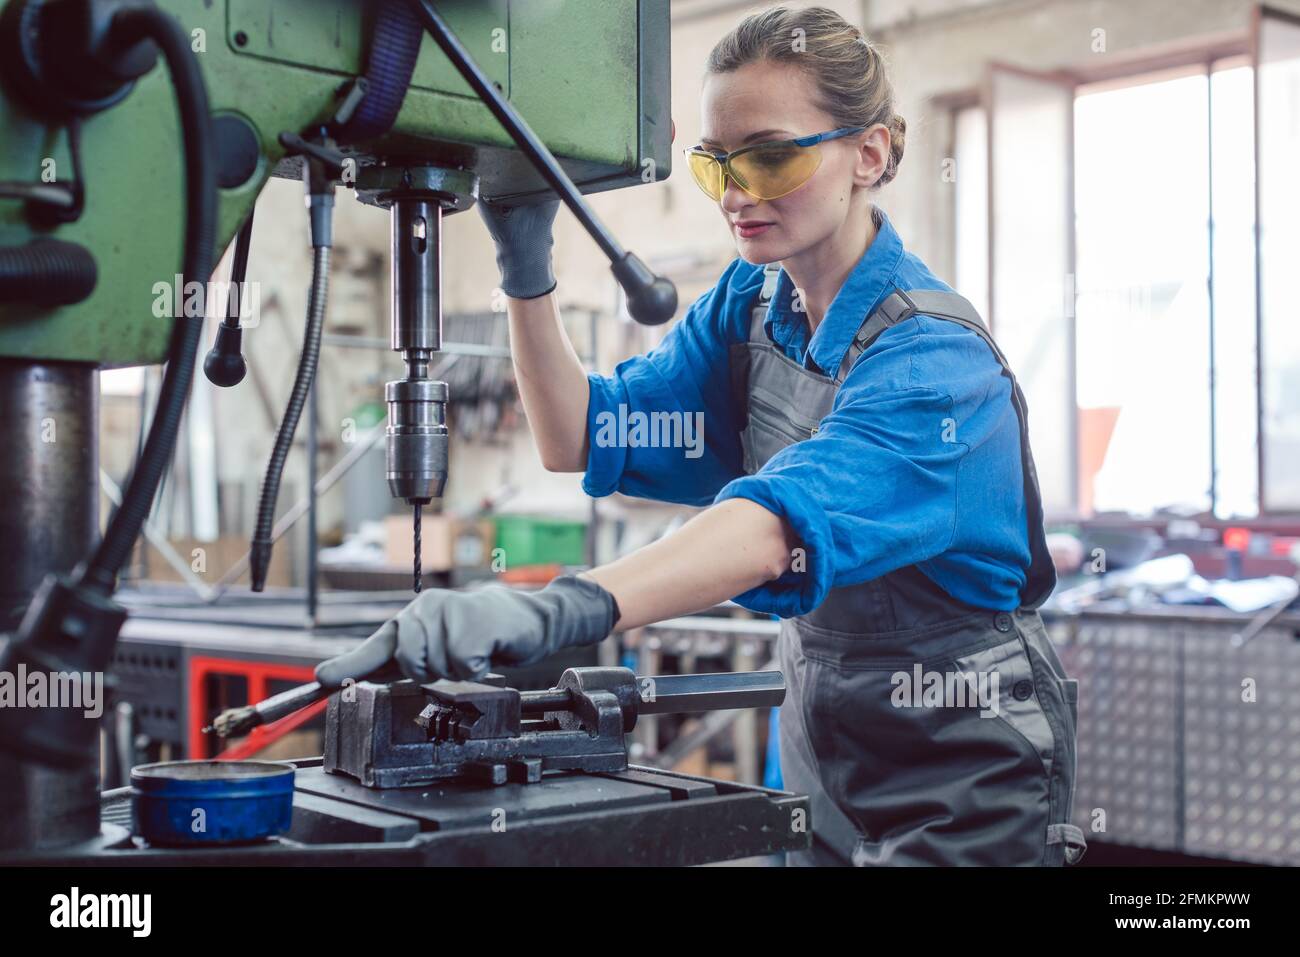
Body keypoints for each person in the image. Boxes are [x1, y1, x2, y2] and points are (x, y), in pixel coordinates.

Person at [317, 4, 1085, 867]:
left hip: (966, 780)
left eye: (769, 156)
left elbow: (776, 525)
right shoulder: (751, 307)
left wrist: (559, 606)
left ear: (869, 154)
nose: (734, 195)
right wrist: (526, 274)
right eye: (715, 162)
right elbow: (581, 433)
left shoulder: (936, 362)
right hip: (821, 765)